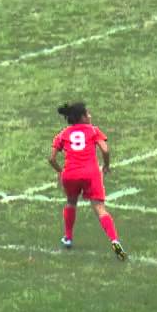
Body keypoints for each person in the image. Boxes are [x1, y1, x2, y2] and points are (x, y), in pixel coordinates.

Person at [48, 102, 126, 260]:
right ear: (82, 117)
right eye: (87, 114)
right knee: (100, 208)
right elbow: (105, 149)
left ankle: (68, 237)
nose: (90, 116)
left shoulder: (63, 133)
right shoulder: (93, 130)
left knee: (71, 202)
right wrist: (106, 165)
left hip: (70, 173)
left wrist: (60, 171)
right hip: (90, 173)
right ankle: (115, 242)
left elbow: (52, 158)